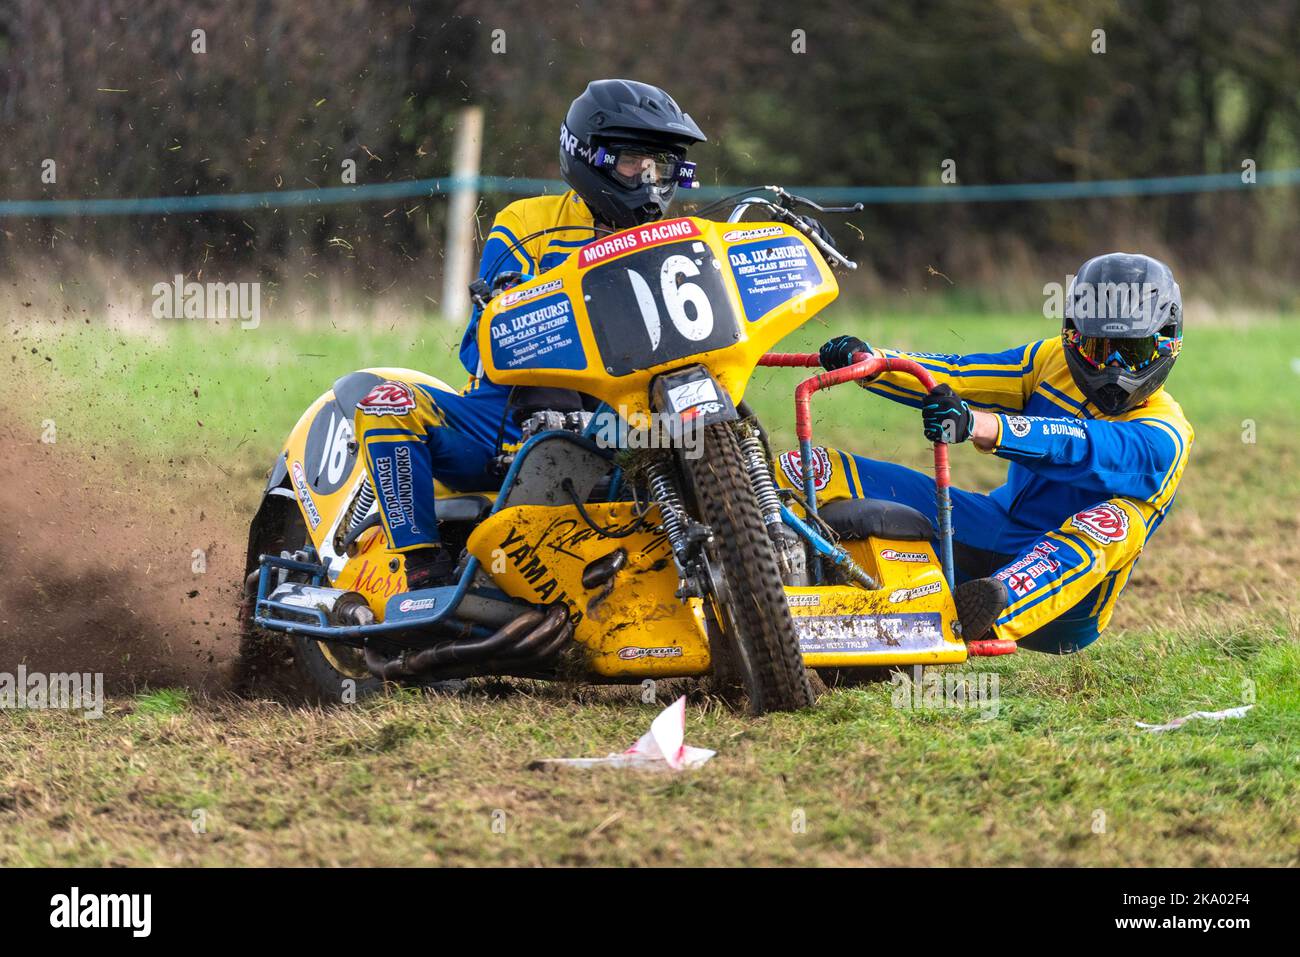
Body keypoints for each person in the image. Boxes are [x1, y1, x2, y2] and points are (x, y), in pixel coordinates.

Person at [351, 79, 706, 588]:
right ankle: (424, 570)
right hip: (510, 423)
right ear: (591, 156)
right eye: (634, 162)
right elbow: (479, 348)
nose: (649, 180)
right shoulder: (528, 223)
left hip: (621, 429)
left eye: (661, 167)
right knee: (385, 402)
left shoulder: (677, 242)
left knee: (725, 432)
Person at [791, 253, 1193, 653]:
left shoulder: (1166, 435)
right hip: (993, 527)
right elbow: (957, 376)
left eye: (1133, 351)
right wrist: (875, 362)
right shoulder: (1049, 359)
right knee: (812, 468)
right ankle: (757, 580)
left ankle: (983, 620)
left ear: (1167, 341)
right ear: (1071, 336)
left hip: (1064, 613)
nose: (1112, 367)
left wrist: (984, 426)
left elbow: (1077, 443)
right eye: (1097, 348)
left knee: (1118, 521)